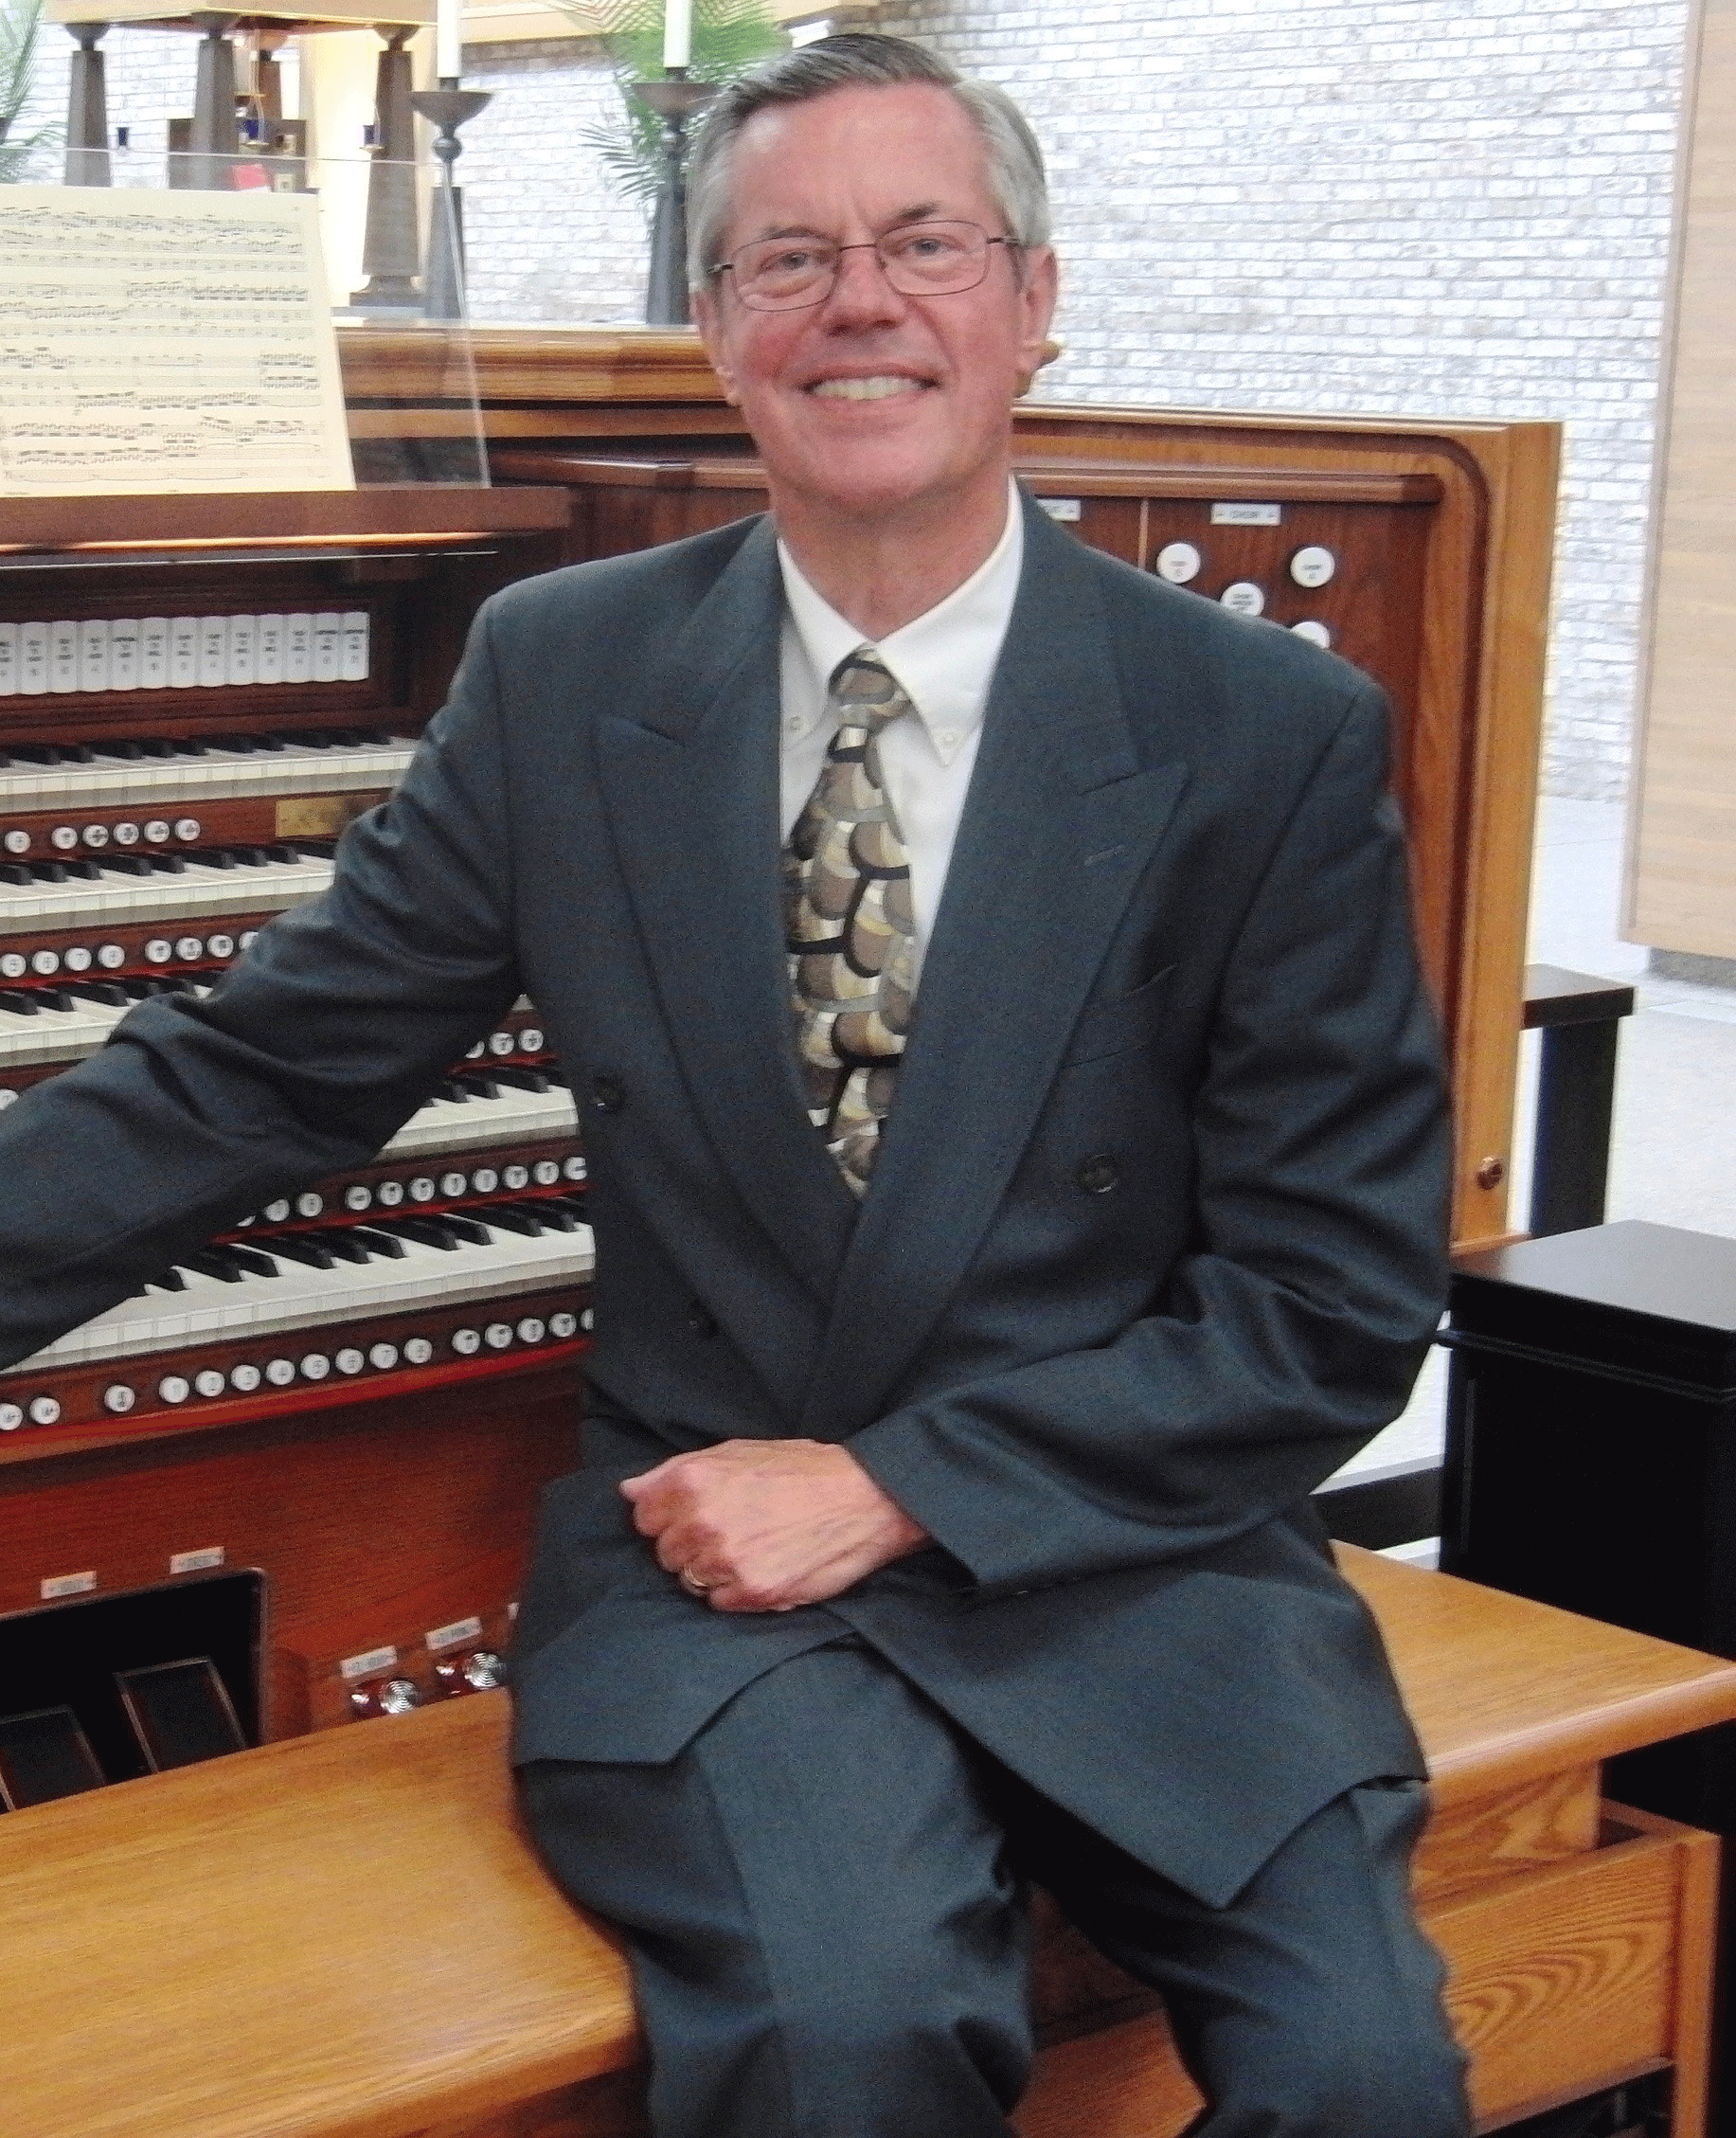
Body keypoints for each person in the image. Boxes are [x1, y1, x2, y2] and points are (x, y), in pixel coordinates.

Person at [0, 31, 1471, 2138]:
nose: (856, 303)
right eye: (786, 258)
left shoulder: (1259, 734)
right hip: (710, 1566)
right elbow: (256, 1072)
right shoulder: (571, 671)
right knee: (842, 2041)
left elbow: (1327, 1309)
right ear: (715, 332)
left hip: (1123, 1551)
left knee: (1361, 2076)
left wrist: (895, 1486)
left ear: (1030, 301)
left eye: (922, 243)